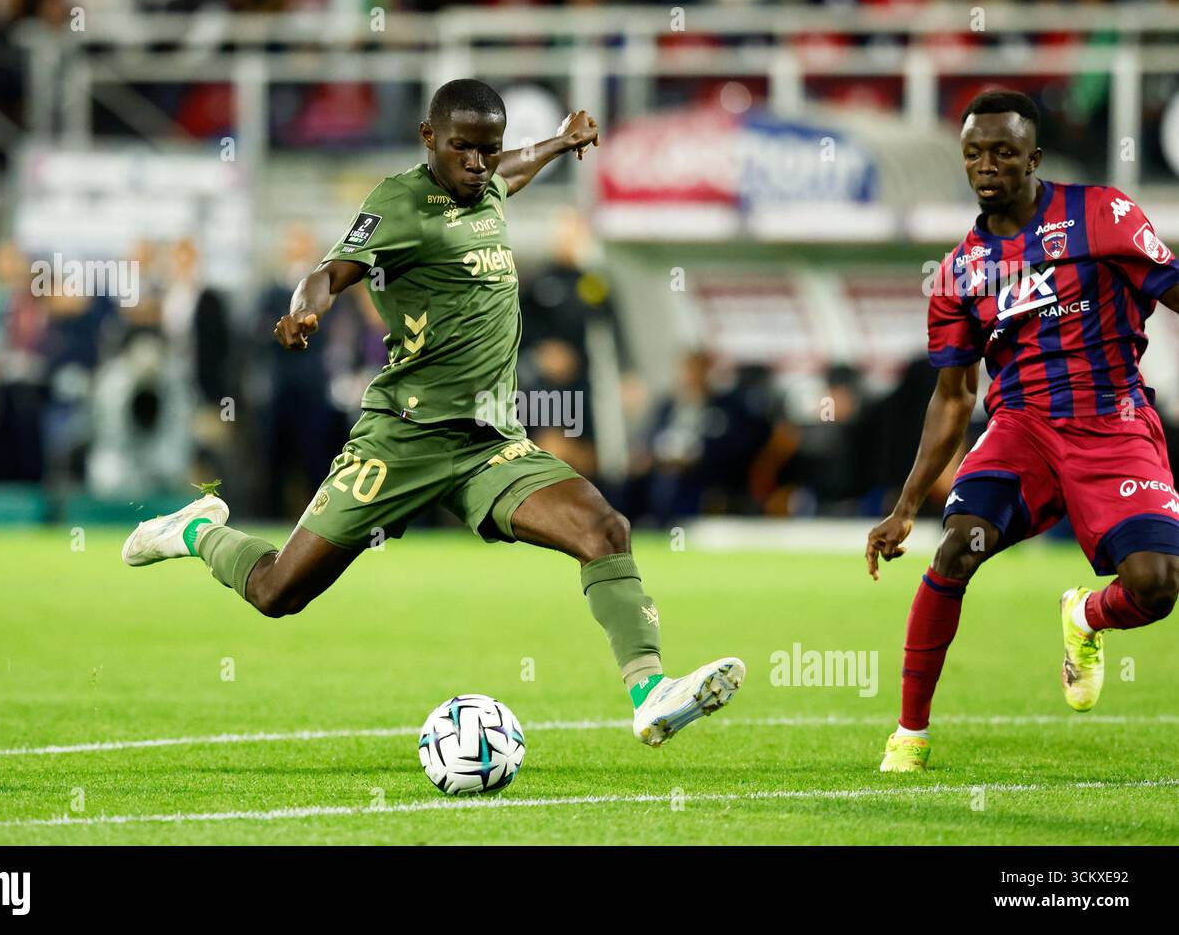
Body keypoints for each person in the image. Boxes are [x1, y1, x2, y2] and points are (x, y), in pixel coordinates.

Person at [123, 79, 744, 747]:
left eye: (487, 150)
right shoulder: (399, 203)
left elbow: (509, 169)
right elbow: (331, 270)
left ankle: (650, 694)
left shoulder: (488, 185)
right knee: (279, 592)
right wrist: (306, 305)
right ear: (429, 139)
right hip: (402, 439)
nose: (477, 164)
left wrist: (560, 143)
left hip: (487, 445)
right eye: (462, 150)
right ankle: (193, 532)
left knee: (604, 528)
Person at [866, 89, 1179, 772]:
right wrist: (904, 506)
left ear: (1033, 158)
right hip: (1023, 433)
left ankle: (1086, 616)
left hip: (1114, 424)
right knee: (957, 549)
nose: (987, 166)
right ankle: (910, 734)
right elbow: (953, 398)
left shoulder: (1102, 213)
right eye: (975, 153)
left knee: (1157, 586)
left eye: (1004, 153)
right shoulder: (958, 273)